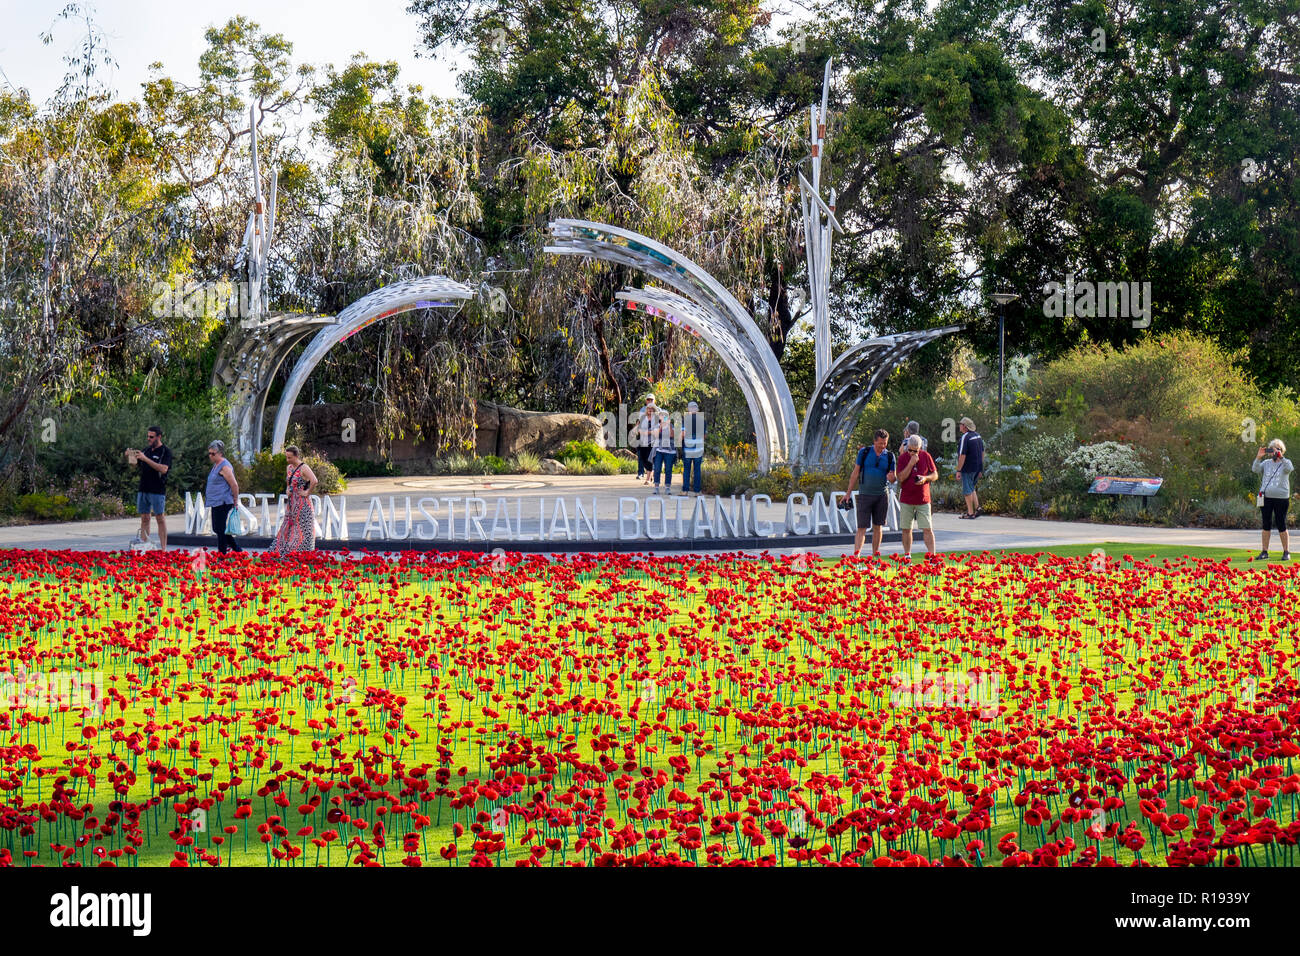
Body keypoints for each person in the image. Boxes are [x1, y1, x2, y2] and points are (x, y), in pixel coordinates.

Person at [842, 429, 896, 557]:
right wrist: (848, 493)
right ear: (874, 441)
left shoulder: (889, 456)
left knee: (878, 526)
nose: (882, 446)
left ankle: (875, 556)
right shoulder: (864, 452)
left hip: (882, 495)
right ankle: (856, 556)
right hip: (865, 495)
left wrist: (892, 478)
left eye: (885, 443)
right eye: (880, 443)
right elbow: (855, 473)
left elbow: (894, 478)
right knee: (862, 527)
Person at [126, 425, 171, 550]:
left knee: (160, 518)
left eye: (151, 437)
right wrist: (130, 456)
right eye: (148, 436)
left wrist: (145, 459)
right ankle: (143, 546)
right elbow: (134, 466)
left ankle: (163, 549)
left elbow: (164, 469)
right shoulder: (145, 450)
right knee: (144, 518)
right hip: (143, 488)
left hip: (157, 489)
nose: (149, 439)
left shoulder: (165, 451)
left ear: (159, 437)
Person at [270, 445, 318, 555]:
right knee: (288, 527)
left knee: (302, 530)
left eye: (290, 457)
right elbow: (289, 482)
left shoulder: (303, 468)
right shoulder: (289, 468)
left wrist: (307, 492)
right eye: (286, 457)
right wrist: (288, 489)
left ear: (296, 456)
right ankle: (282, 552)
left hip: (302, 504)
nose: (288, 460)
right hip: (291, 503)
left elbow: (314, 480)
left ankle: (301, 554)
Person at [896, 434, 939, 557]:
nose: (912, 452)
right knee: (906, 529)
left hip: (923, 499)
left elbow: (935, 475)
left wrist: (925, 478)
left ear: (920, 448)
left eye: (915, 451)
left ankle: (932, 556)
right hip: (906, 499)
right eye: (909, 450)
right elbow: (900, 478)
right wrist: (911, 463)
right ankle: (907, 556)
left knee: (927, 529)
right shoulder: (903, 458)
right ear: (907, 447)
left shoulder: (926, 456)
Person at [1252, 439, 1293, 561]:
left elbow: (1289, 468)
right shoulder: (1266, 463)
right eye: (1271, 449)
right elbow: (1255, 469)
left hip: (1281, 498)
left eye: (1276, 449)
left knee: (1281, 524)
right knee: (1266, 524)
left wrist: (1281, 457)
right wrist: (1258, 457)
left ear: (1281, 450)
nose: (1273, 452)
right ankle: (1264, 551)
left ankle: (1286, 552)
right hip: (1266, 498)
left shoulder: (1286, 463)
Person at [205, 441, 243, 555]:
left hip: (223, 501)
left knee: (220, 529)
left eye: (213, 453)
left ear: (220, 453)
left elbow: (234, 485)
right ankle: (237, 550)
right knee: (218, 529)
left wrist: (235, 500)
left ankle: (223, 554)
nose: (210, 456)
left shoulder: (224, 466)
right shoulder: (216, 465)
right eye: (209, 453)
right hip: (216, 502)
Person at [956, 417, 984, 519]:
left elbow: (962, 455)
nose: (959, 426)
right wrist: (981, 467)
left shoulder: (965, 437)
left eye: (961, 424)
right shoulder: (978, 436)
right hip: (977, 467)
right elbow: (982, 452)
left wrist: (959, 470)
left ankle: (970, 513)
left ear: (965, 427)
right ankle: (978, 508)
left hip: (968, 467)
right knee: (972, 488)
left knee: (967, 491)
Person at [680, 401, 705, 495]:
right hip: (698, 448)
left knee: (686, 469)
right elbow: (704, 435)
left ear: (689, 409)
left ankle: (685, 491)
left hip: (688, 449)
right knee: (697, 470)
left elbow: (683, 434)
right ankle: (697, 491)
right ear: (697, 409)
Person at [652, 410, 676, 495]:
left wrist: (668, 425)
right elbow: (656, 436)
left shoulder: (671, 426)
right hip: (659, 450)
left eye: (665, 416)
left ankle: (667, 487)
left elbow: (672, 435)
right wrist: (661, 426)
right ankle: (656, 487)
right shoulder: (657, 426)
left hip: (670, 451)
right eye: (662, 415)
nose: (663, 417)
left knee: (668, 469)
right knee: (657, 468)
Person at [635, 395, 656, 484]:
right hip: (643, 441)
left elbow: (666, 419)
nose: (650, 410)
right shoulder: (643, 416)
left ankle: (648, 479)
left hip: (653, 442)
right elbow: (638, 424)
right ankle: (650, 474)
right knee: (643, 459)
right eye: (648, 409)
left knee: (650, 459)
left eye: (652, 400)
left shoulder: (658, 414)